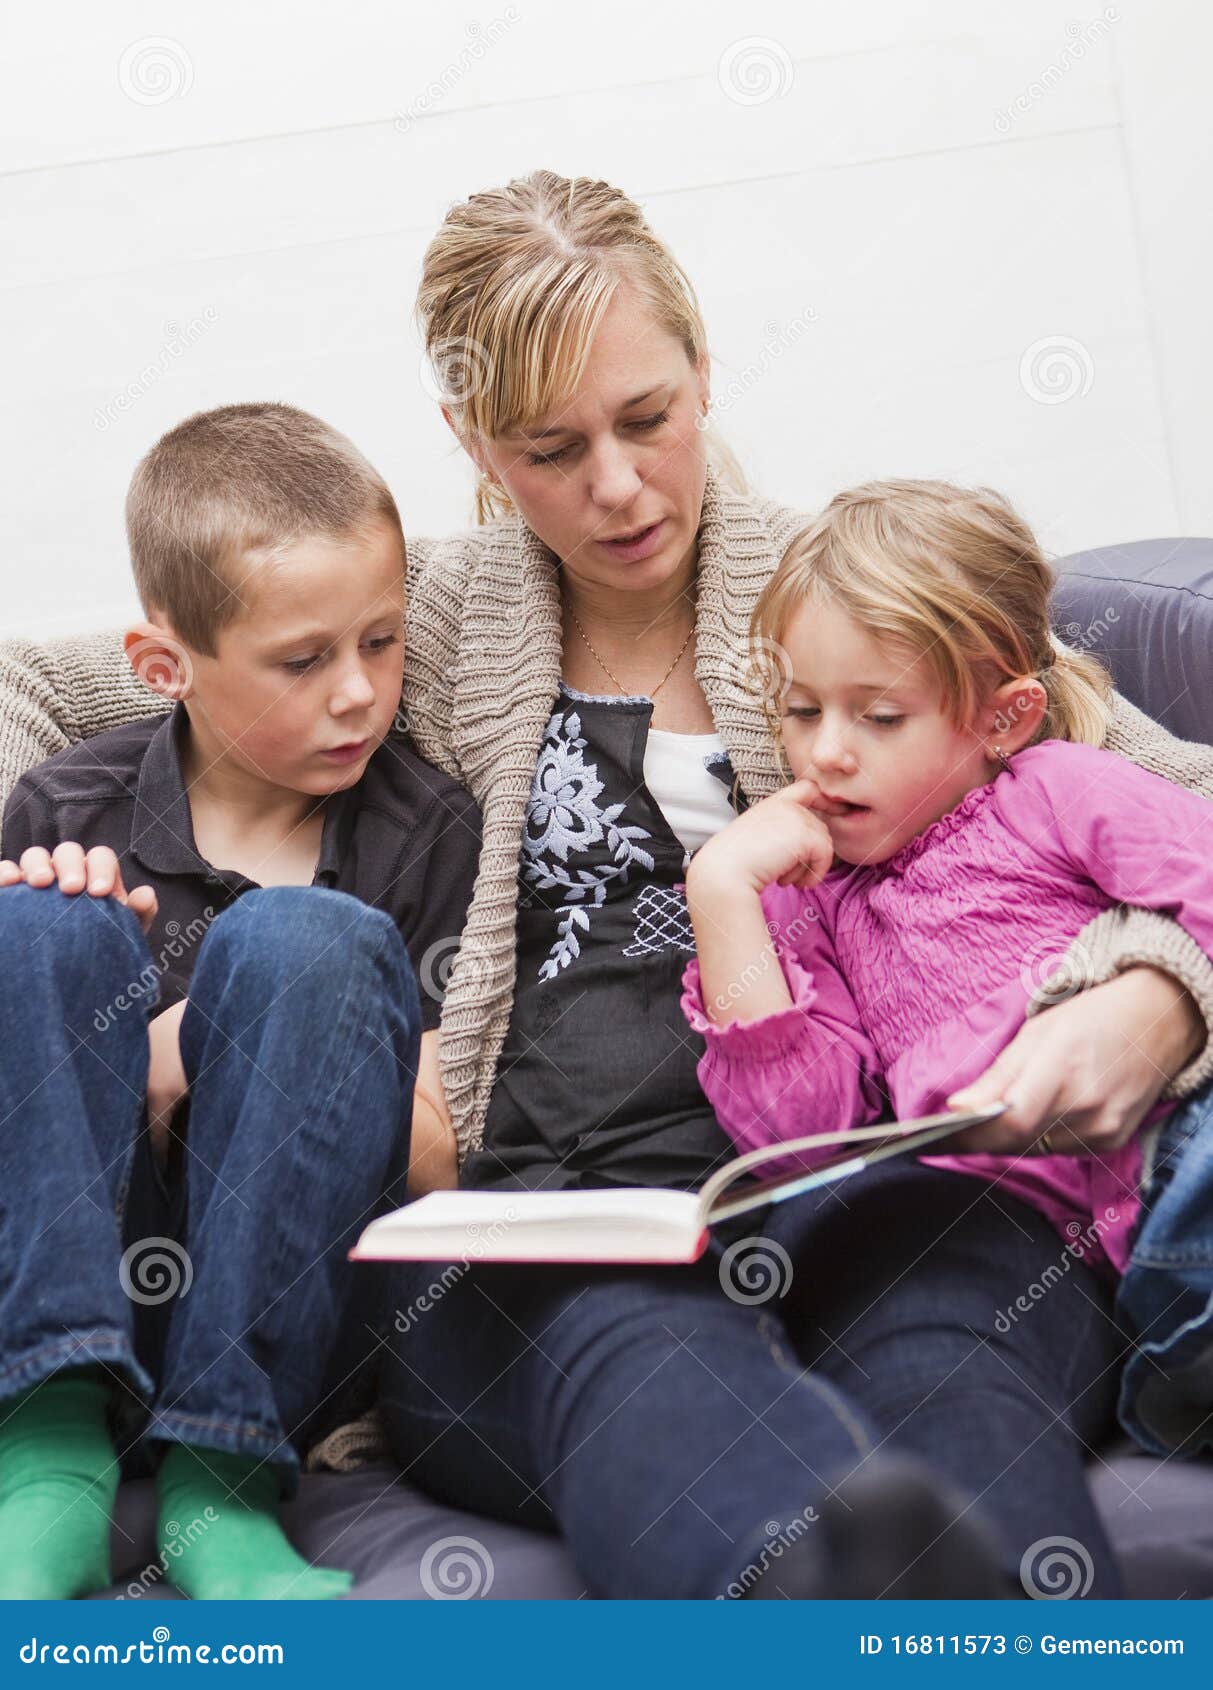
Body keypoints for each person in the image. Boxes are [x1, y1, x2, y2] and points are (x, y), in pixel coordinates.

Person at [2, 173, 1212, 1598]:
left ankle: (998, 1627)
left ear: (704, 369)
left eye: (647, 417)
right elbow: (44, 686)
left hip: (863, 1177)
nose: (618, 486)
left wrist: (1156, 994)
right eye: (552, 448)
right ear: (473, 444)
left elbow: (1168, 803)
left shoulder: (850, 598)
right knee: (630, 1346)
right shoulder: (410, 618)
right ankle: (809, 1599)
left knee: (949, 1332)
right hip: (554, 1211)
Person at [0, 403, 481, 1599]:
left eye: (382, 640)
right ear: (165, 666)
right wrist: (85, 1006)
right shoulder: (63, 805)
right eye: (303, 661)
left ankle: (219, 1483)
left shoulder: (427, 829)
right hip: (74, 1283)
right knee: (37, 922)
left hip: (286, 1319)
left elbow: (439, 1151)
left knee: (305, 940)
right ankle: (45, 1455)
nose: (359, 692)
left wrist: (195, 1045)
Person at [680, 473, 1213, 1291]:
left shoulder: (1059, 790)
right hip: (1094, 1253)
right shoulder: (804, 897)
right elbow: (805, 1140)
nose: (824, 753)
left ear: (1003, 718)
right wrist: (720, 895)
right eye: (800, 711)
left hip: (1186, 1137)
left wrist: (1154, 1001)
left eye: (880, 716)